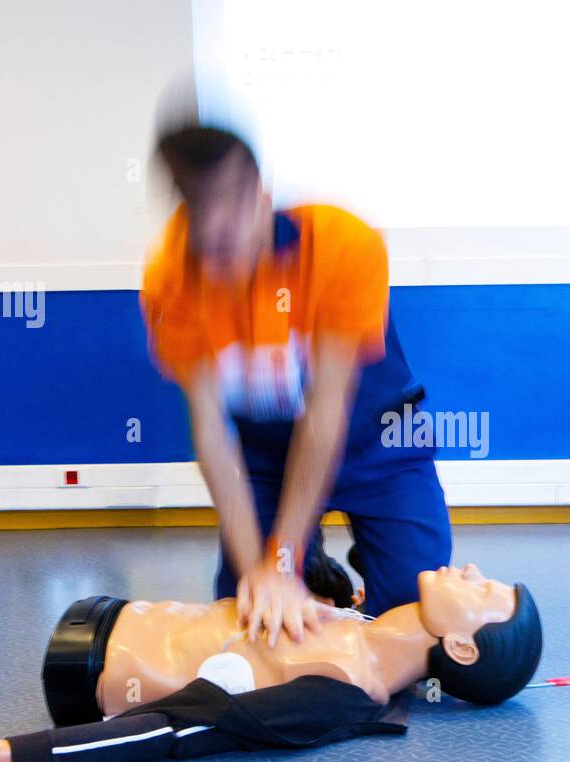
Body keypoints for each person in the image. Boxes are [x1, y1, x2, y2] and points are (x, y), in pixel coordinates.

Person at [141, 117, 451, 648]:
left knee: (415, 617)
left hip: (378, 443)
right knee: (248, 619)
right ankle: (307, 555)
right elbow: (214, 437)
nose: (216, 237)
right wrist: (260, 571)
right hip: (266, 461)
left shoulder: (343, 245)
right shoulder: (170, 279)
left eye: (230, 216)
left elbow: (324, 414)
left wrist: (280, 558)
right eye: (200, 221)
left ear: (261, 201)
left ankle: (320, 550)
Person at [0, 565, 542, 762]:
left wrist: (9, 758)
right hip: (113, 612)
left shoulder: (337, 694)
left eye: (486, 592)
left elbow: (178, 730)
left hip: (89, 669)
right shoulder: (356, 619)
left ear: (459, 645)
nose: (475, 568)